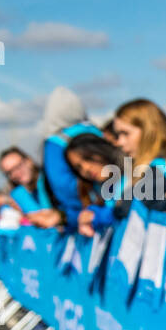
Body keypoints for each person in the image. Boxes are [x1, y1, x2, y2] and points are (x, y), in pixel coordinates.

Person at [31, 88, 102, 229]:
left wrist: (64, 215)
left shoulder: (55, 143)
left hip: (79, 220)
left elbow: (61, 185)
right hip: (106, 209)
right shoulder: (97, 131)